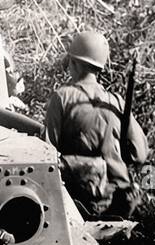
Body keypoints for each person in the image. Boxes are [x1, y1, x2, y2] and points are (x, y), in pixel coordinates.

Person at [43, 31, 147, 218]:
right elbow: (140, 155)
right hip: (119, 204)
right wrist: (146, 192)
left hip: (76, 206)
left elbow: (47, 158)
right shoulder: (117, 102)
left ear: (73, 63)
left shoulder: (62, 98)